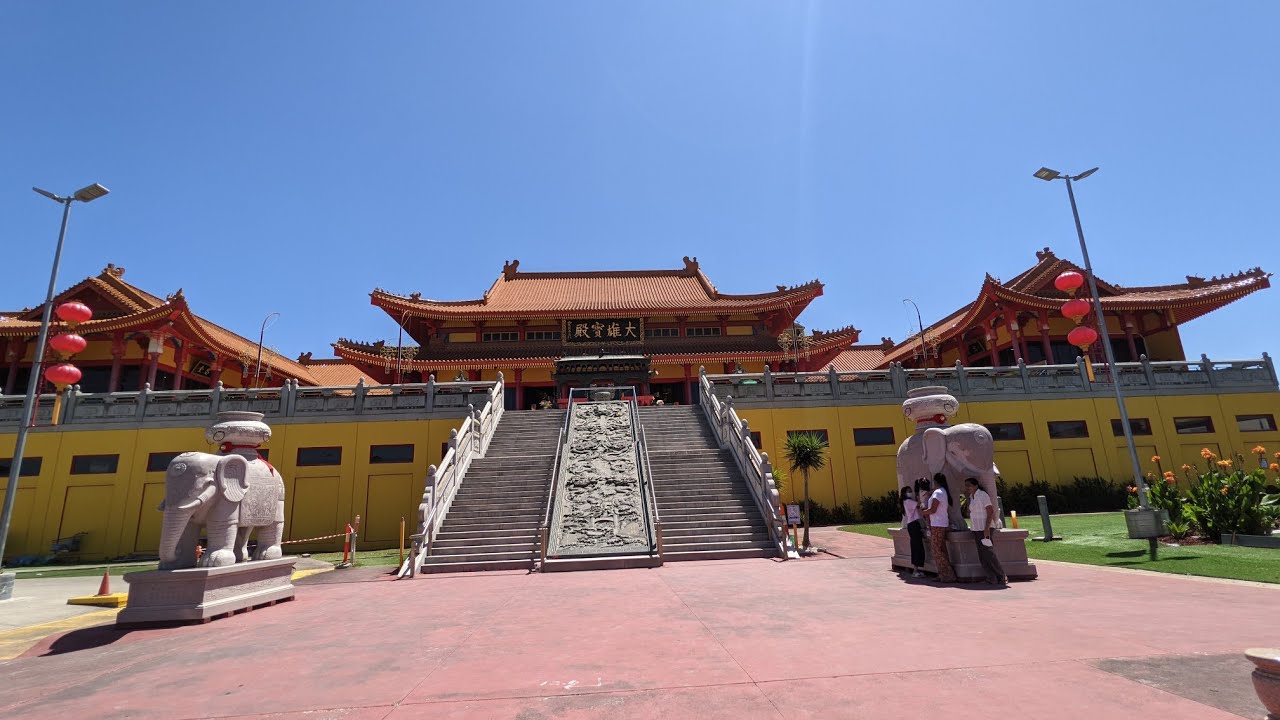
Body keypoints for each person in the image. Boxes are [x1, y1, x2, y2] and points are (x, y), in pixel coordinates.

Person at [964, 477, 1007, 585]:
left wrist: (987, 528)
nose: (967, 487)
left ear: (975, 486)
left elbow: (990, 511)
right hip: (976, 528)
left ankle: (1001, 575)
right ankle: (990, 576)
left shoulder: (983, 495)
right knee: (982, 554)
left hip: (985, 528)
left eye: (969, 485)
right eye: (966, 485)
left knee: (989, 553)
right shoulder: (971, 497)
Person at [919, 472, 957, 583]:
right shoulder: (943, 492)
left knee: (937, 551)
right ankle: (945, 574)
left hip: (937, 524)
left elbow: (933, 509)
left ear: (935, 482)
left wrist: (924, 512)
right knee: (941, 550)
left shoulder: (937, 493)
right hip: (942, 523)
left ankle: (947, 574)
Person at [900, 485, 925, 577]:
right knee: (917, 546)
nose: (911, 492)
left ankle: (917, 569)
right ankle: (915, 570)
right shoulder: (908, 501)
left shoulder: (907, 502)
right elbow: (919, 505)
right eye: (909, 491)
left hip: (913, 525)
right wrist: (920, 496)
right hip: (914, 525)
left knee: (917, 546)